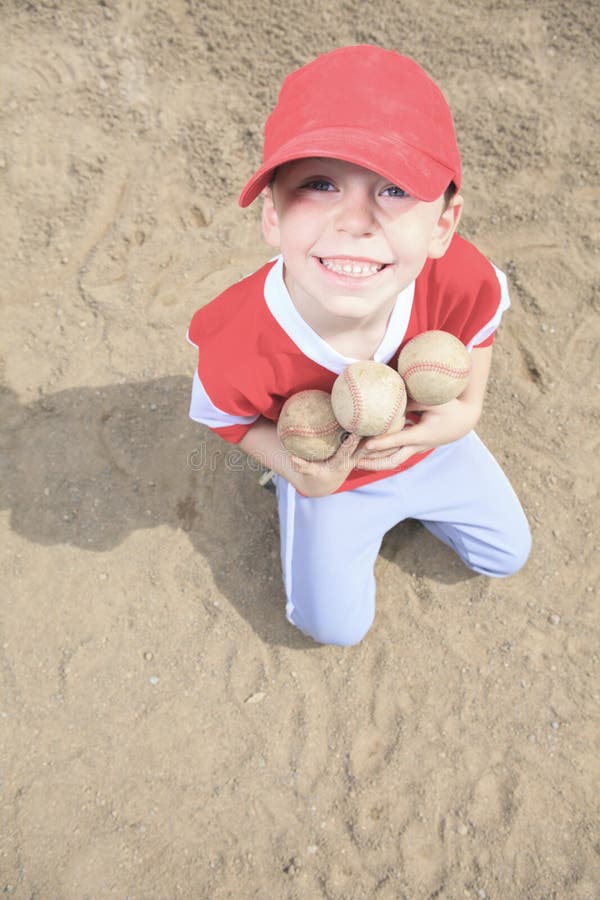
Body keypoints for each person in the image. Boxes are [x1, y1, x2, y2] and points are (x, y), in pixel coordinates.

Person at [187, 45, 531, 646]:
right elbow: (227, 418)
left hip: (433, 446)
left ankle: (416, 502)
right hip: (335, 480)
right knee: (335, 629)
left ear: (443, 225)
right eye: (320, 184)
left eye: (394, 189)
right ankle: (296, 501)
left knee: (507, 555)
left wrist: (464, 414)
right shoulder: (238, 335)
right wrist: (299, 472)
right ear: (273, 215)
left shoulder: (458, 277)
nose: (355, 220)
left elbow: (481, 323)